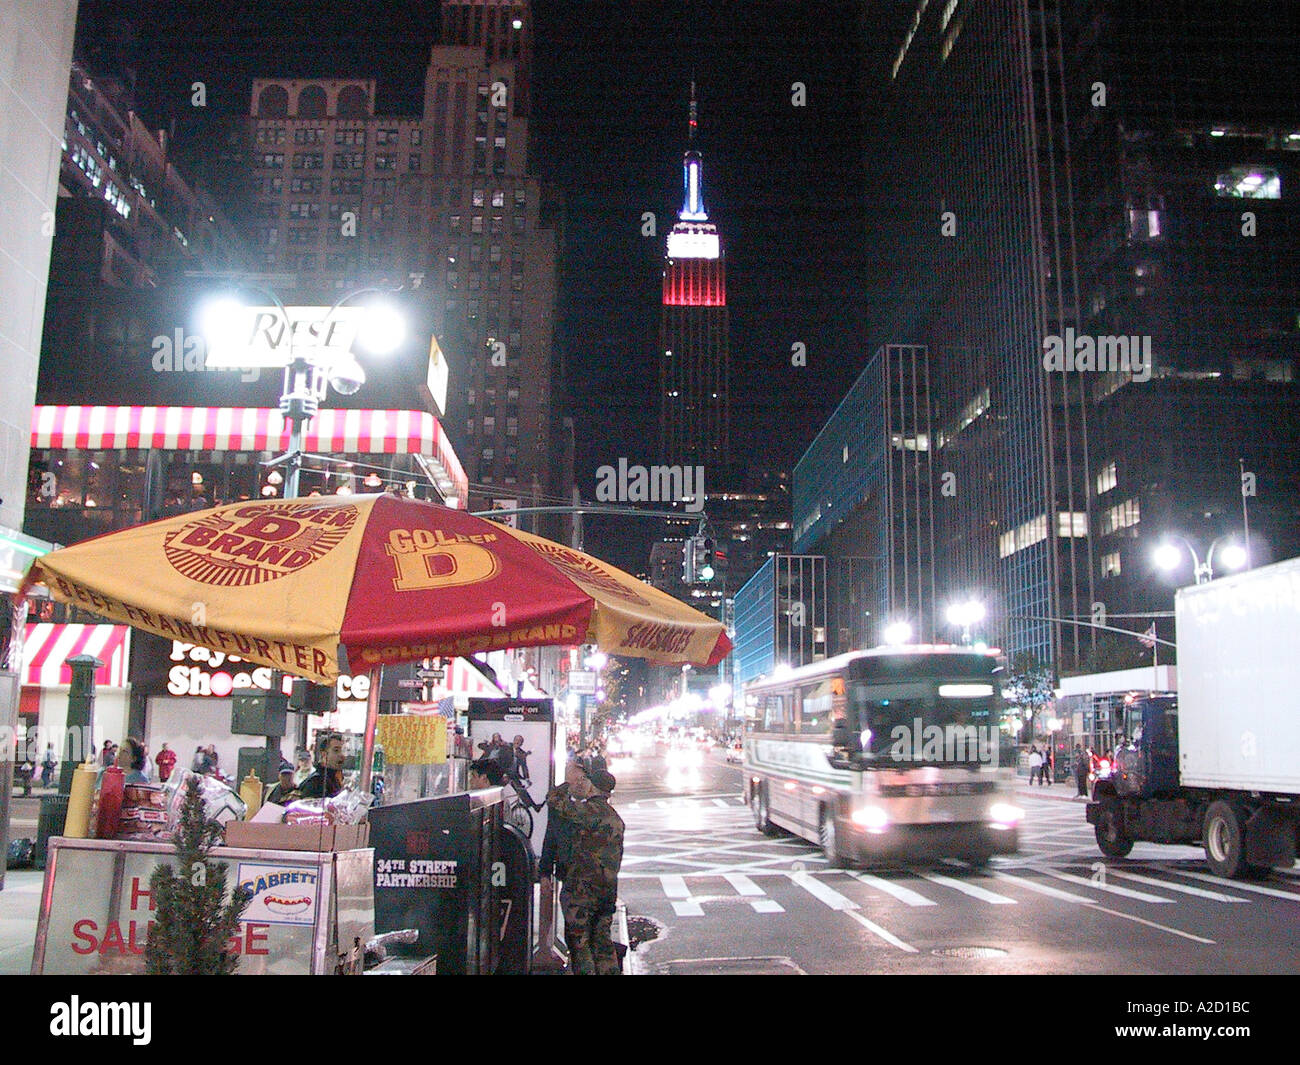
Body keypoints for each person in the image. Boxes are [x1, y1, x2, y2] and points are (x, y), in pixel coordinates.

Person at [545, 755, 624, 976]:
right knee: (603, 944)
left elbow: (553, 800)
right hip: (607, 890)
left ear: (593, 787)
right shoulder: (616, 819)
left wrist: (568, 783)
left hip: (582, 891)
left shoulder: (587, 812)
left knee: (580, 944)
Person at [298, 732, 346, 799]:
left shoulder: (336, 778)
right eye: (336, 750)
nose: (342, 755)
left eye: (344, 750)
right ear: (324, 755)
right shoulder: (316, 782)